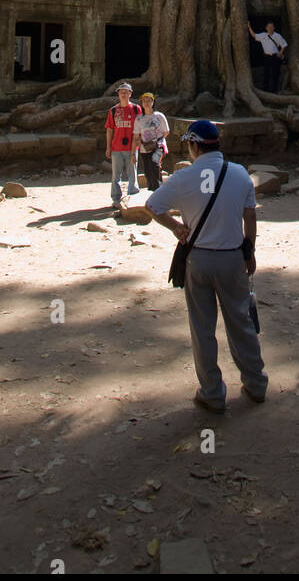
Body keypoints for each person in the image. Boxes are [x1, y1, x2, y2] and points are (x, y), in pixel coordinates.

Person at [147, 118, 267, 412]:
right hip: (232, 258)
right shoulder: (239, 174)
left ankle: (212, 393)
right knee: (241, 321)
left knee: (202, 328)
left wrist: (176, 227)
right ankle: (256, 383)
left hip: (199, 259)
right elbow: (250, 216)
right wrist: (249, 251)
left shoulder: (184, 178)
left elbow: (152, 206)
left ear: (194, 145)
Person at [105, 83, 142, 212]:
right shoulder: (113, 110)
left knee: (133, 174)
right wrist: (108, 147)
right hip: (116, 147)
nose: (123, 94)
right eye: (121, 92)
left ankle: (133, 198)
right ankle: (116, 199)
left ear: (130, 94)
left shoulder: (137, 109)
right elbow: (109, 129)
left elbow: (140, 129)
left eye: (126, 92)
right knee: (116, 175)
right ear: (118, 94)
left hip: (132, 148)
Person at [131, 91, 169, 192]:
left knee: (155, 167)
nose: (146, 103)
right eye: (144, 101)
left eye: (149, 100)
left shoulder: (159, 116)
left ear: (153, 102)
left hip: (158, 147)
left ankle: (158, 192)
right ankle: (152, 191)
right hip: (144, 148)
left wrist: (156, 141)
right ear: (141, 103)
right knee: (148, 172)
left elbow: (166, 131)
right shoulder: (139, 119)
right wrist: (133, 153)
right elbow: (136, 136)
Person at [248, 19, 287, 93]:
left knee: (275, 73)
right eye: (269, 27)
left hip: (275, 57)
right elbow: (254, 35)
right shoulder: (263, 35)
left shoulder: (277, 36)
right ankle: (265, 90)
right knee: (266, 73)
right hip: (266, 57)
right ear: (266, 28)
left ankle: (274, 91)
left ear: (274, 28)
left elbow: (284, 44)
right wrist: (249, 27)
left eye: (272, 27)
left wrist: (281, 52)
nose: (270, 28)